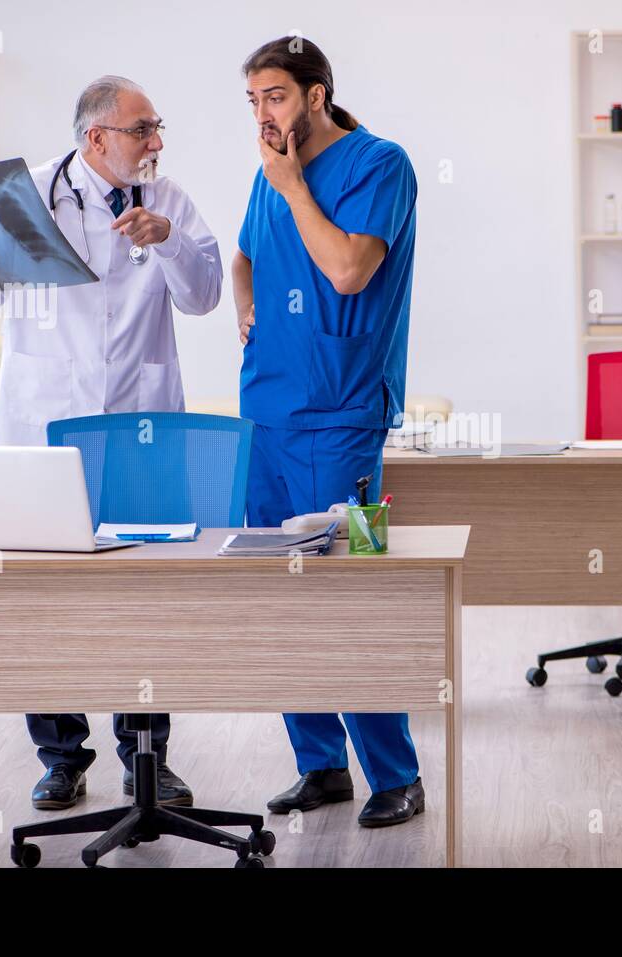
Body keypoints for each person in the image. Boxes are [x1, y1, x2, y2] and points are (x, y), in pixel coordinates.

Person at [0, 75, 222, 811]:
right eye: (142, 129)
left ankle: (147, 757)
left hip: (140, 423)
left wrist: (169, 242)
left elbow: (205, 295)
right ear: (96, 138)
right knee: (41, 598)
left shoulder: (168, 200)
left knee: (143, 595)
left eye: (157, 127)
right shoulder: (22, 199)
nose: (156, 141)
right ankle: (61, 757)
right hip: (44, 424)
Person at [234, 37, 423, 827]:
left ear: (316, 95)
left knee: (351, 593)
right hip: (265, 412)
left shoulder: (380, 164)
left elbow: (348, 270)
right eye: (253, 101)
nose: (262, 114)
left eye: (275, 96)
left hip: (343, 413)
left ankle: (397, 773)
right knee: (280, 597)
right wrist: (244, 305)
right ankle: (320, 764)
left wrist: (293, 186)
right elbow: (246, 254)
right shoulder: (268, 172)